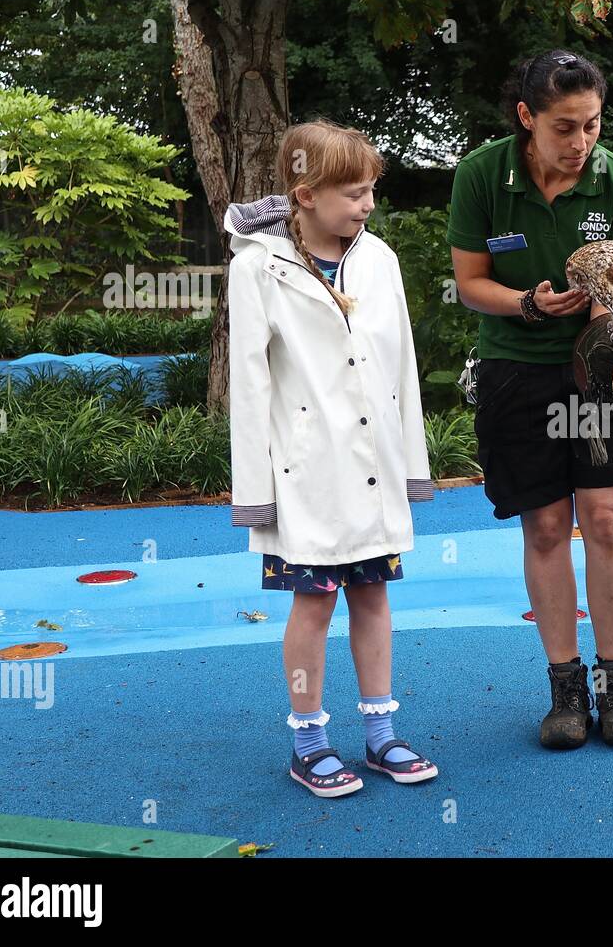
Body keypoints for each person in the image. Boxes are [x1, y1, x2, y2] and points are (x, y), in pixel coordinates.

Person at [446, 50, 613, 749]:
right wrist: (529, 305)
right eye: (564, 127)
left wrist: (604, 341)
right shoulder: (482, 176)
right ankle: (566, 689)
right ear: (525, 117)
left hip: (603, 367)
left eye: (592, 126)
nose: (580, 143)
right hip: (516, 366)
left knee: (605, 521)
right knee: (543, 528)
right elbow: (472, 280)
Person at [226, 119, 438, 797]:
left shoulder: (378, 259)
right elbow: (250, 383)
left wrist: (413, 465)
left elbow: (400, 362)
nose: (366, 205)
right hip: (305, 476)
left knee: (373, 595)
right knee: (313, 603)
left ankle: (381, 735)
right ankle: (308, 740)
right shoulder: (257, 265)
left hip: (373, 467)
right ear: (305, 192)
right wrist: (255, 491)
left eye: (371, 190)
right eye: (351, 192)